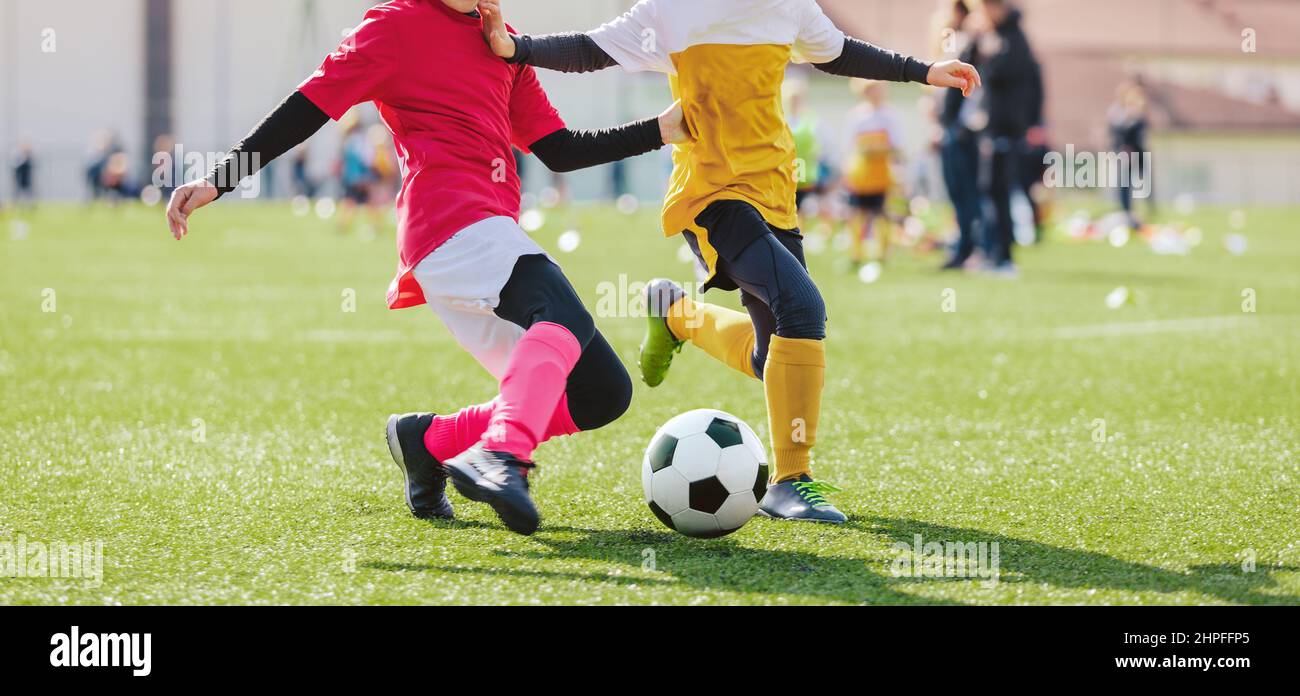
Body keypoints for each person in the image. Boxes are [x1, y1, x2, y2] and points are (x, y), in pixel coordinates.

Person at [164, 0, 691, 536]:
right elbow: (310, 105)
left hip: (486, 234)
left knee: (602, 392)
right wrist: (220, 178)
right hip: (447, 223)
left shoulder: (504, 39)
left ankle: (429, 442)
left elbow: (557, 149)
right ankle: (502, 454)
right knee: (561, 314)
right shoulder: (395, 25)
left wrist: (660, 129)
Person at [481, 0, 979, 523]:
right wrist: (518, 48)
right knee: (803, 307)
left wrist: (923, 71)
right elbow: (589, 49)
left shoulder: (789, 5)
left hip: (776, 192)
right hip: (711, 194)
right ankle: (791, 480)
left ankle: (677, 314)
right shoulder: (672, 9)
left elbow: (835, 53)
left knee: (776, 359)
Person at [970, 0, 1039, 277]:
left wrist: (981, 44)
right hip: (995, 128)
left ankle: (1004, 257)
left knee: (998, 191)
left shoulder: (1013, 39)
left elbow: (1000, 74)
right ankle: (992, 253)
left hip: (1006, 129)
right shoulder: (1000, 36)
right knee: (991, 190)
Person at [935, 0, 984, 270]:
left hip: (962, 131)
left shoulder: (970, 43)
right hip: (952, 129)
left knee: (967, 194)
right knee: (958, 193)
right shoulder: (959, 42)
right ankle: (964, 247)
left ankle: (970, 249)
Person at [843, 79, 904, 267]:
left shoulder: (890, 116)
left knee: (881, 214)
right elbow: (850, 147)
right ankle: (856, 253)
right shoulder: (856, 116)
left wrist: (879, 151)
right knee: (856, 214)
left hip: (881, 173)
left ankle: (883, 253)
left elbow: (898, 147)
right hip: (860, 173)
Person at [1108, 80, 1153, 229]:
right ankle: (1126, 209)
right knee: (1125, 183)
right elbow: (1118, 131)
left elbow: (1142, 128)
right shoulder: (1117, 111)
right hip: (1125, 151)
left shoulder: (1136, 111)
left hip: (1138, 150)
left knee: (1143, 180)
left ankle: (1146, 207)